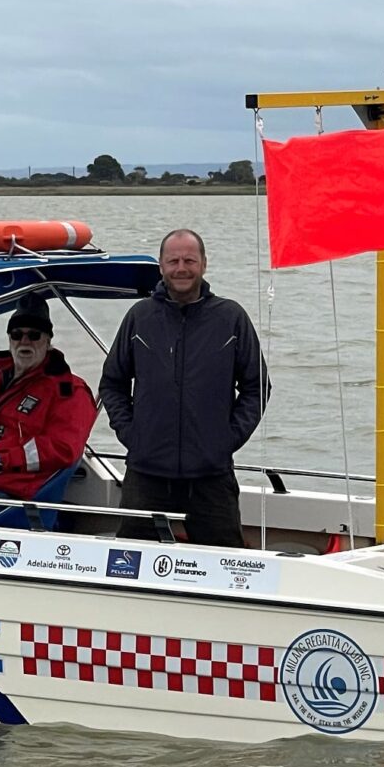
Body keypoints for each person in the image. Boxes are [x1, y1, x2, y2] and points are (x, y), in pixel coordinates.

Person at [99, 229, 268, 547]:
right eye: (173, 260)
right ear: (161, 266)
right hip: (146, 474)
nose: (181, 268)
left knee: (226, 566)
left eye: (189, 260)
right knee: (131, 564)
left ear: (204, 264)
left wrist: (227, 439)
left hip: (211, 476)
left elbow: (257, 387)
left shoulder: (231, 318)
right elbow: (112, 383)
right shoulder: (140, 316)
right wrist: (132, 435)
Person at [0, 299, 98, 521]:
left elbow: (62, 448)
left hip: (12, 490)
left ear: (48, 341)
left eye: (34, 335)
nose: (24, 341)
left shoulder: (70, 391)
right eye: (17, 334)